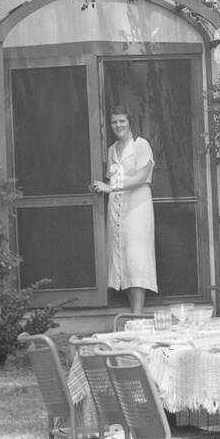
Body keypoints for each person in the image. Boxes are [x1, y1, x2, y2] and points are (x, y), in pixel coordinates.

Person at [91, 106, 156, 314]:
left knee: (136, 256)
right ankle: (133, 312)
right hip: (116, 206)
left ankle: (137, 315)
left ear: (130, 123)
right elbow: (110, 179)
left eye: (122, 121)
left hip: (137, 205)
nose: (118, 125)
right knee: (122, 257)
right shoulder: (112, 150)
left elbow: (139, 178)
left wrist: (111, 187)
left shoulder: (141, 145)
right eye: (114, 122)